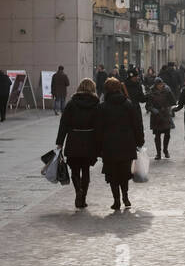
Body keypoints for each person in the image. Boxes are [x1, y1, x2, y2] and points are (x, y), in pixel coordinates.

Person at [95, 77, 144, 211]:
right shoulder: (128, 104)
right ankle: (125, 196)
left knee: (112, 173)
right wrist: (140, 140)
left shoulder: (102, 107)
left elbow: (98, 128)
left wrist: (98, 146)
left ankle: (116, 200)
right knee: (124, 172)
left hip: (109, 144)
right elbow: (137, 124)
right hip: (127, 143)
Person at [56, 78, 100, 209]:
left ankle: (78, 192)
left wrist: (59, 142)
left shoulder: (71, 104)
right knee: (85, 169)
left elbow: (63, 124)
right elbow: (99, 125)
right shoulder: (96, 104)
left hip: (74, 139)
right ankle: (83, 197)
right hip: (89, 139)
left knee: (75, 169)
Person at [146, 78, 176, 159]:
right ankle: (158, 153)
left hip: (165, 115)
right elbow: (147, 105)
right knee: (157, 135)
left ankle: (165, 150)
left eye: (161, 84)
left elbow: (173, 101)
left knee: (167, 134)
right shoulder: (151, 92)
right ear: (156, 85)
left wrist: (170, 92)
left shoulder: (167, 91)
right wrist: (153, 110)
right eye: (158, 84)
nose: (160, 86)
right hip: (156, 117)